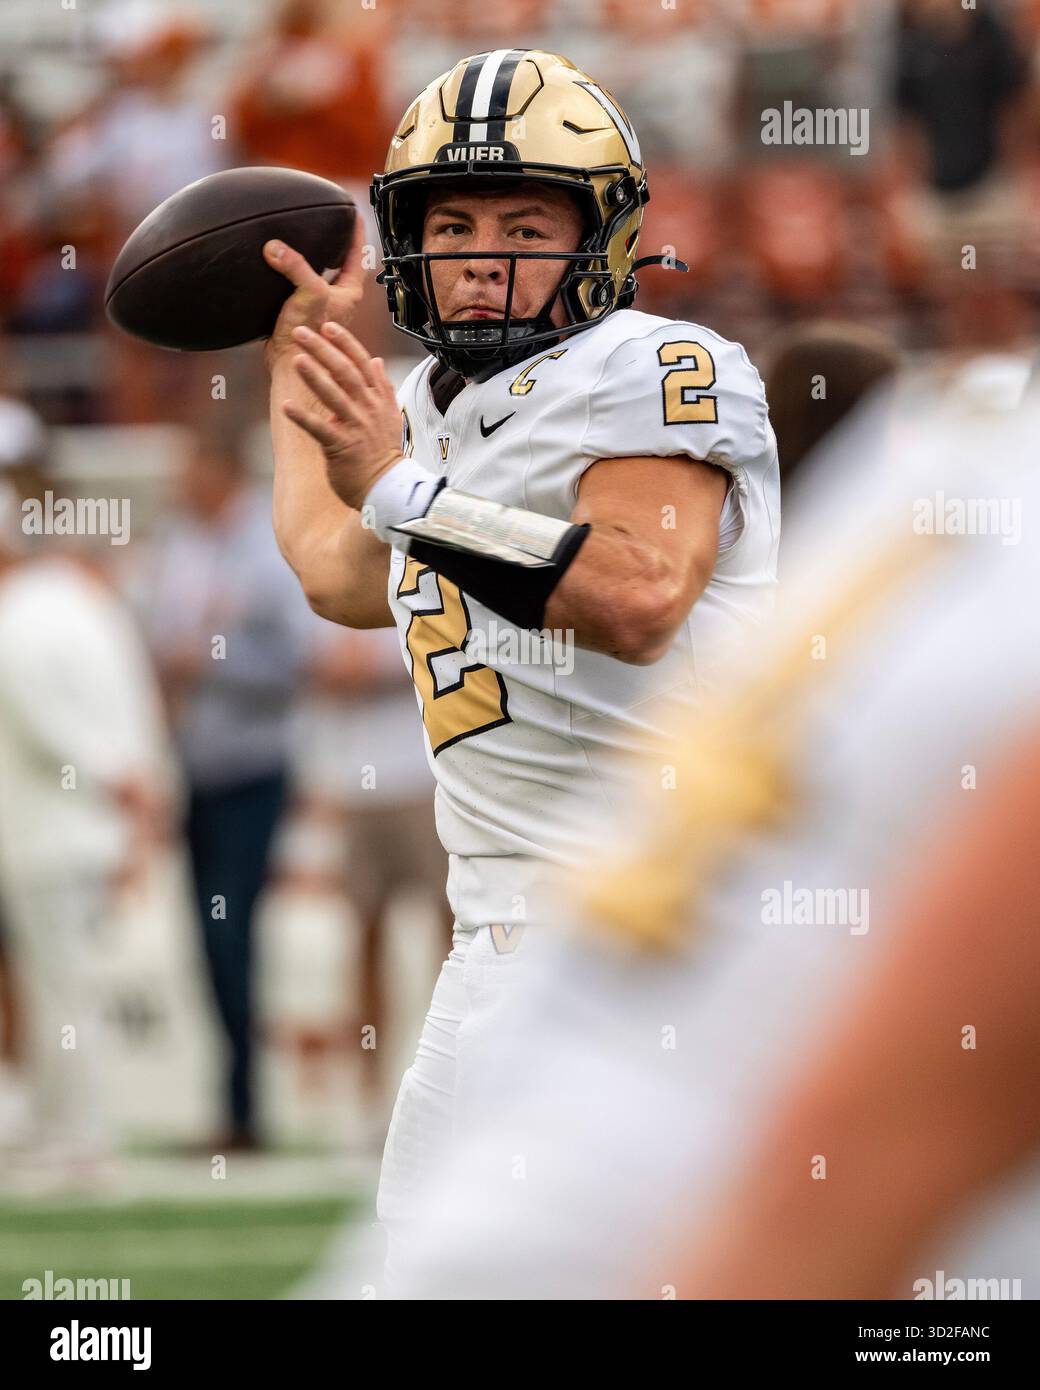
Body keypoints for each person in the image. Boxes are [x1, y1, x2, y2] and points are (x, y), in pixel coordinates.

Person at [263, 49, 780, 1286]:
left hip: (658, 925)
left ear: (602, 234)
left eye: (522, 221)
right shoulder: (429, 402)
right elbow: (342, 577)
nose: (480, 254)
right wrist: (300, 373)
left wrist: (395, 484)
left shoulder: (653, 366)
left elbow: (640, 594)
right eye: (450, 222)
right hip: (498, 928)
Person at [0, 411, 172, 1188]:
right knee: (70, 991)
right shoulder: (84, 600)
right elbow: (134, 714)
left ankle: (85, 1139)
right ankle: (69, 1130)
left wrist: (120, 787)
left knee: (63, 993)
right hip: (90, 830)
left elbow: (51, 729)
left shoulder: (24, 613)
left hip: (51, 835)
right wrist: (138, 806)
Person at [136, 428, 315, 1151]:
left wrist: (210, 664)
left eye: (191, 467)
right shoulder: (177, 548)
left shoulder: (267, 551)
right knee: (205, 943)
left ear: (222, 472)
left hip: (251, 770)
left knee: (230, 933)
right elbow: (149, 634)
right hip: (191, 770)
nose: (179, 481)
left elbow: (295, 662)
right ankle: (230, 1105)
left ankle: (246, 1110)